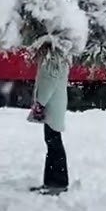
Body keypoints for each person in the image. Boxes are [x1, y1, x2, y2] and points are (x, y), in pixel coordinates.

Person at [30, 54, 70, 194]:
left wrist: (40, 102)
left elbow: (49, 82)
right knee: (52, 143)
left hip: (51, 106)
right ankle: (51, 181)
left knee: (54, 144)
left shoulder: (53, 59)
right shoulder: (57, 57)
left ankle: (58, 182)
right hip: (53, 105)